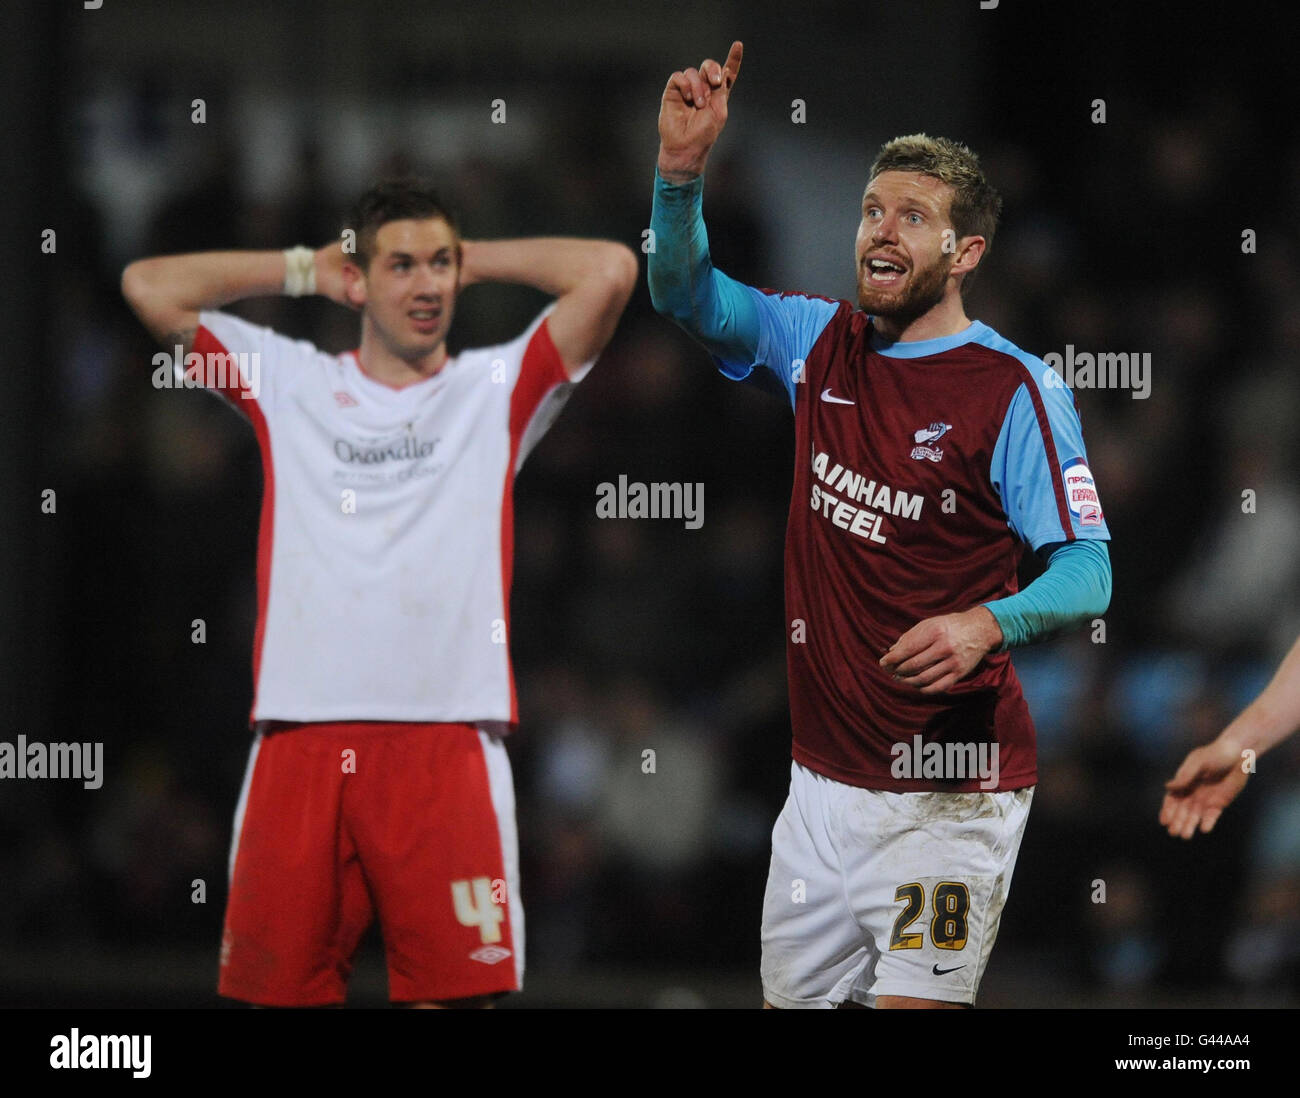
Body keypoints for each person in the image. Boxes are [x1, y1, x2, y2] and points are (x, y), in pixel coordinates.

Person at [648, 42, 1112, 1008]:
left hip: (950, 796)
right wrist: (681, 177)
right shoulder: (820, 341)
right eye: (871, 211)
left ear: (966, 251)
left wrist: (989, 621)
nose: (880, 233)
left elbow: (1089, 571)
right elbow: (682, 294)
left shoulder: (1016, 390)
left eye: (912, 216)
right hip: (818, 793)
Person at [121, 179, 637, 1006]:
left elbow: (610, 271)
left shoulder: (493, 389)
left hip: (446, 746)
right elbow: (148, 286)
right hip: (299, 741)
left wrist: (470, 261)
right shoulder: (287, 379)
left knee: (456, 999)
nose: (427, 284)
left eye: (440, 264)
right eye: (401, 266)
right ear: (358, 281)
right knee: (276, 998)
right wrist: (305, 269)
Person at [1160, 635, 1300, 838]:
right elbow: (1249, 759)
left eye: (1207, 716)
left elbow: (1256, 765)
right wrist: (1239, 746)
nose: (1202, 723)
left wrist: (1243, 752)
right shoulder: (1187, 755)